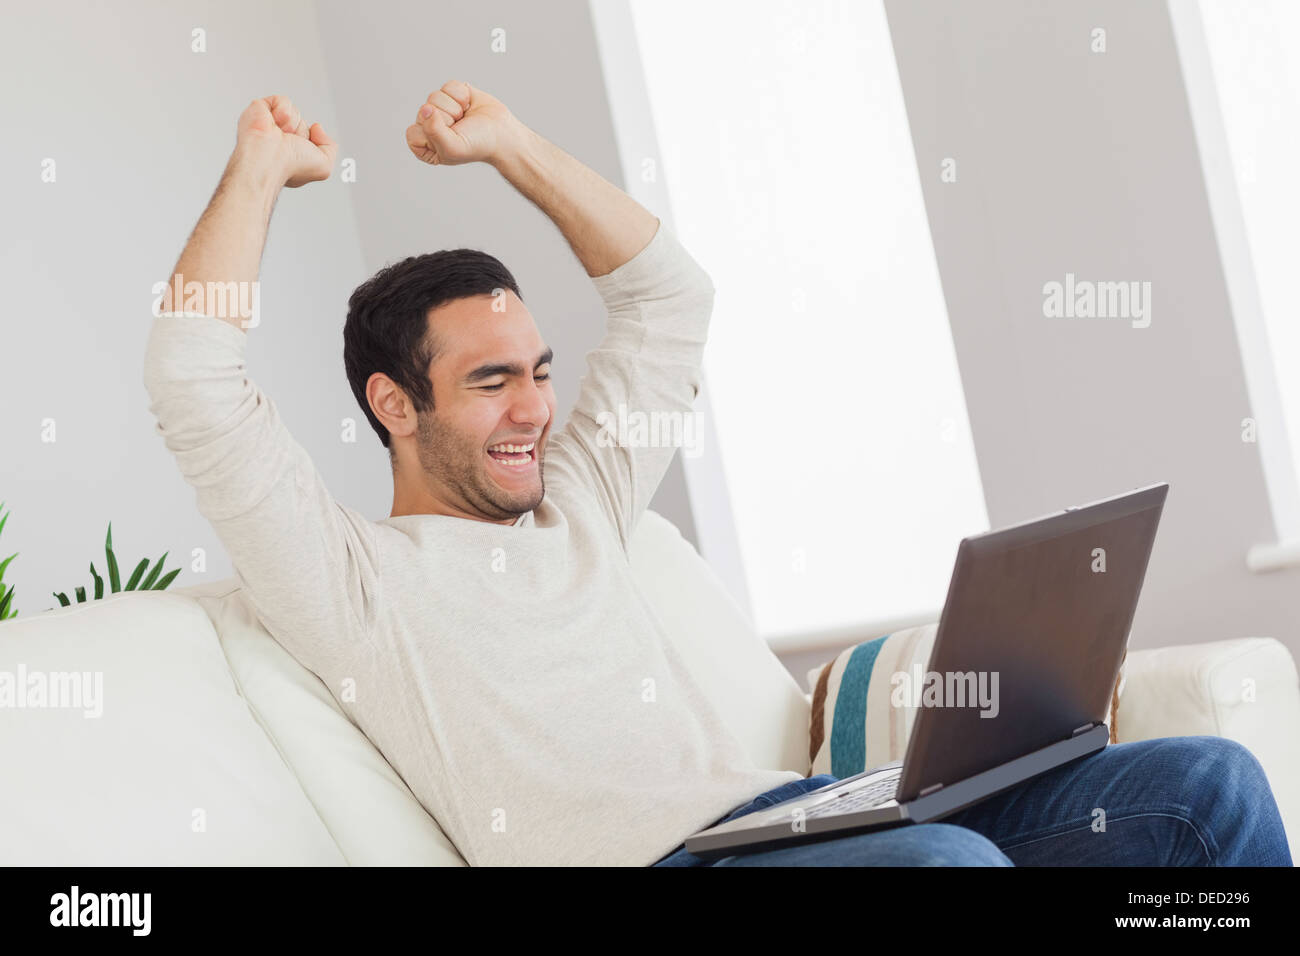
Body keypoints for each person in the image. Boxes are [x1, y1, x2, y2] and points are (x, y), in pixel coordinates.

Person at [145, 82, 1292, 867]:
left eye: (541, 370)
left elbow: (669, 297)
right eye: (493, 380)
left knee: (1210, 784)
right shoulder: (349, 577)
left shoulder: (577, 500)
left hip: (783, 821)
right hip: (668, 863)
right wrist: (255, 169)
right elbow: (194, 380)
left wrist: (509, 144)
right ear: (395, 404)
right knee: (947, 861)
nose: (537, 407)